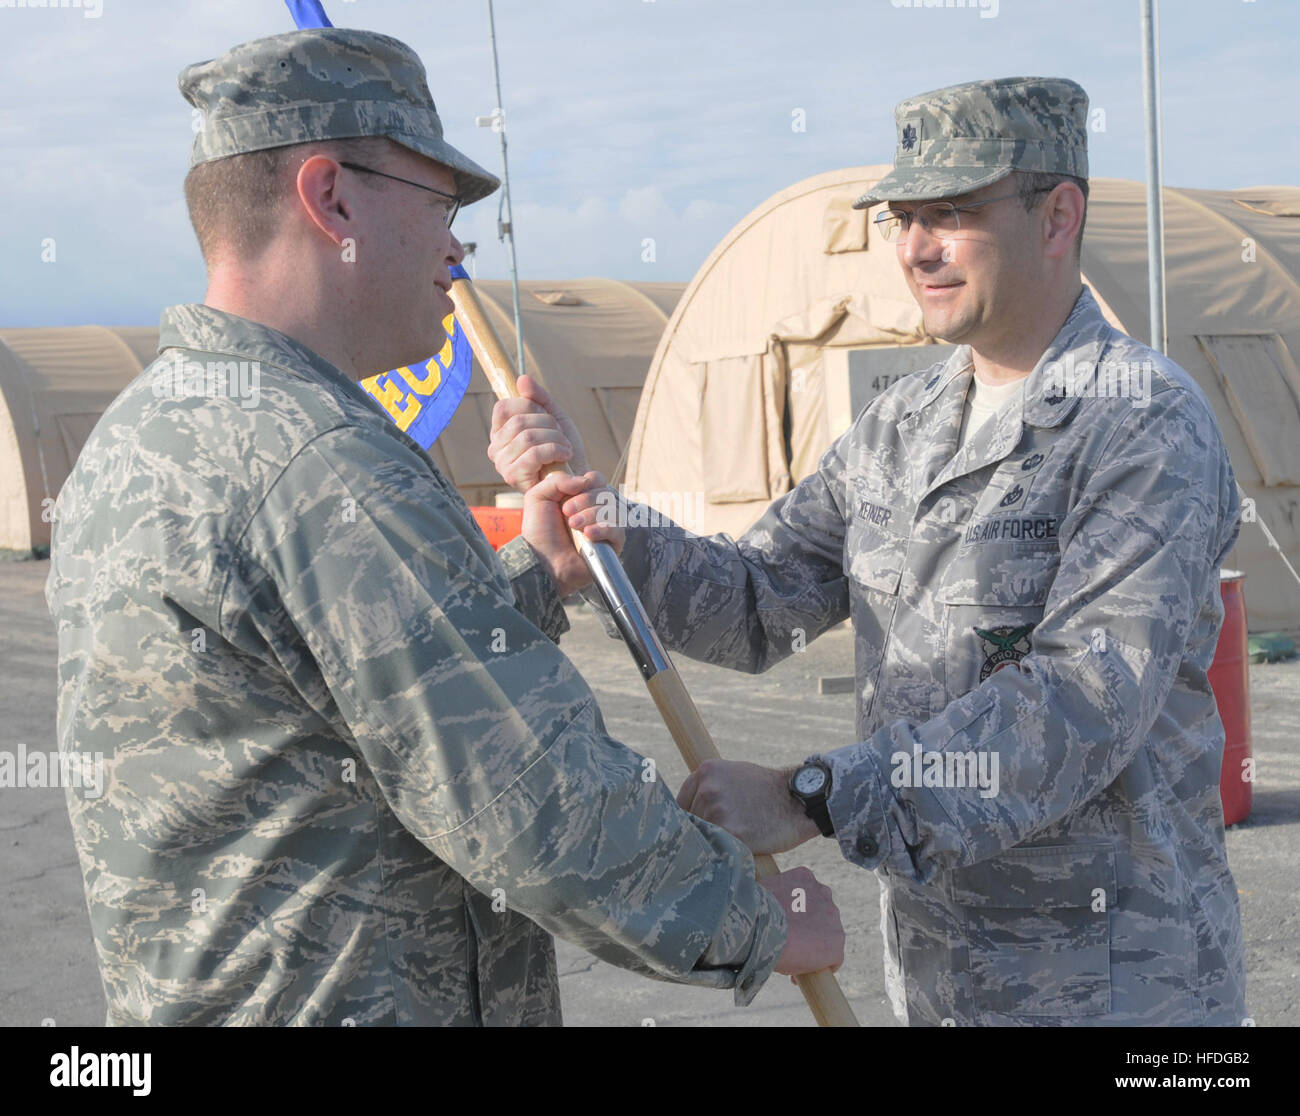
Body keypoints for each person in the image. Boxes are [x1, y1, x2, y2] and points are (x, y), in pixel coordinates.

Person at [45, 27, 843, 1027]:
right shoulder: (317, 457)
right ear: (330, 197)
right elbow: (530, 794)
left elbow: (334, 675)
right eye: (440, 205)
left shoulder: (151, 430)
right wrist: (756, 915)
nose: (459, 246)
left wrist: (534, 577)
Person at [490, 77, 1248, 1026]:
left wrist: (814, 797)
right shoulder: (903, 426)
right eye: (903, 218)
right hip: (939, 987)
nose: (916, 249)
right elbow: (762, 598)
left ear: (1058, 216)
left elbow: (1081, 704)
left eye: (952, 214)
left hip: (1125, 994)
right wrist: (607, 527)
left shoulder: (1142, 422)